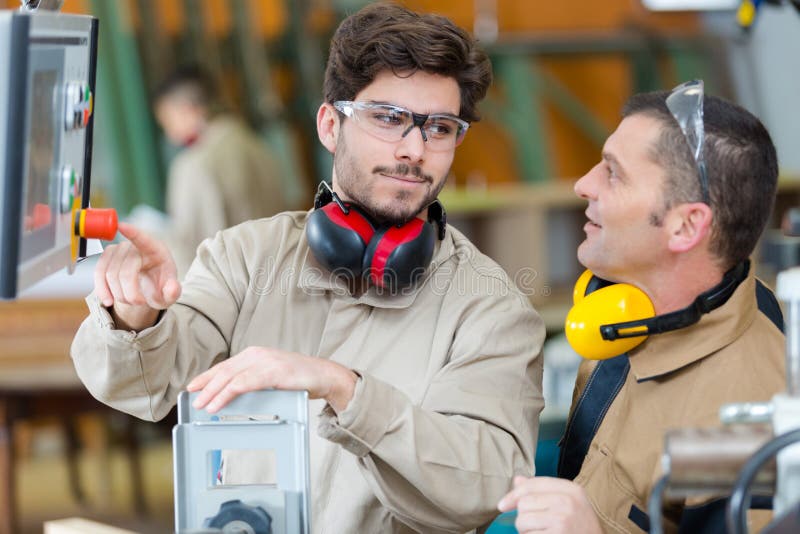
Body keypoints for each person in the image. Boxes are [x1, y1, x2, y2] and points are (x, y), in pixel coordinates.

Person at [71, 3, 545, 533]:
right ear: (330, 125)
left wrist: (346, 390)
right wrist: (136, 315)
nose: (415, 150)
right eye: (388, 118)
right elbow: (142, 385)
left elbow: (487, 487)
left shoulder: (492, 309)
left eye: (439, 127)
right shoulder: (245, 256)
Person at [497, 82, 785, 533]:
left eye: (613, 173)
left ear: (685, 225)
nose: (583, 184)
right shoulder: (629, 309)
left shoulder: (734, 422)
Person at [151, 65, 288, 276]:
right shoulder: (258, 147)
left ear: (188, 110)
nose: (170, 135)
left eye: (168, 121)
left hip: (229, 289)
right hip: (280, 277)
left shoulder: (192, 164)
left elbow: (188, 254)